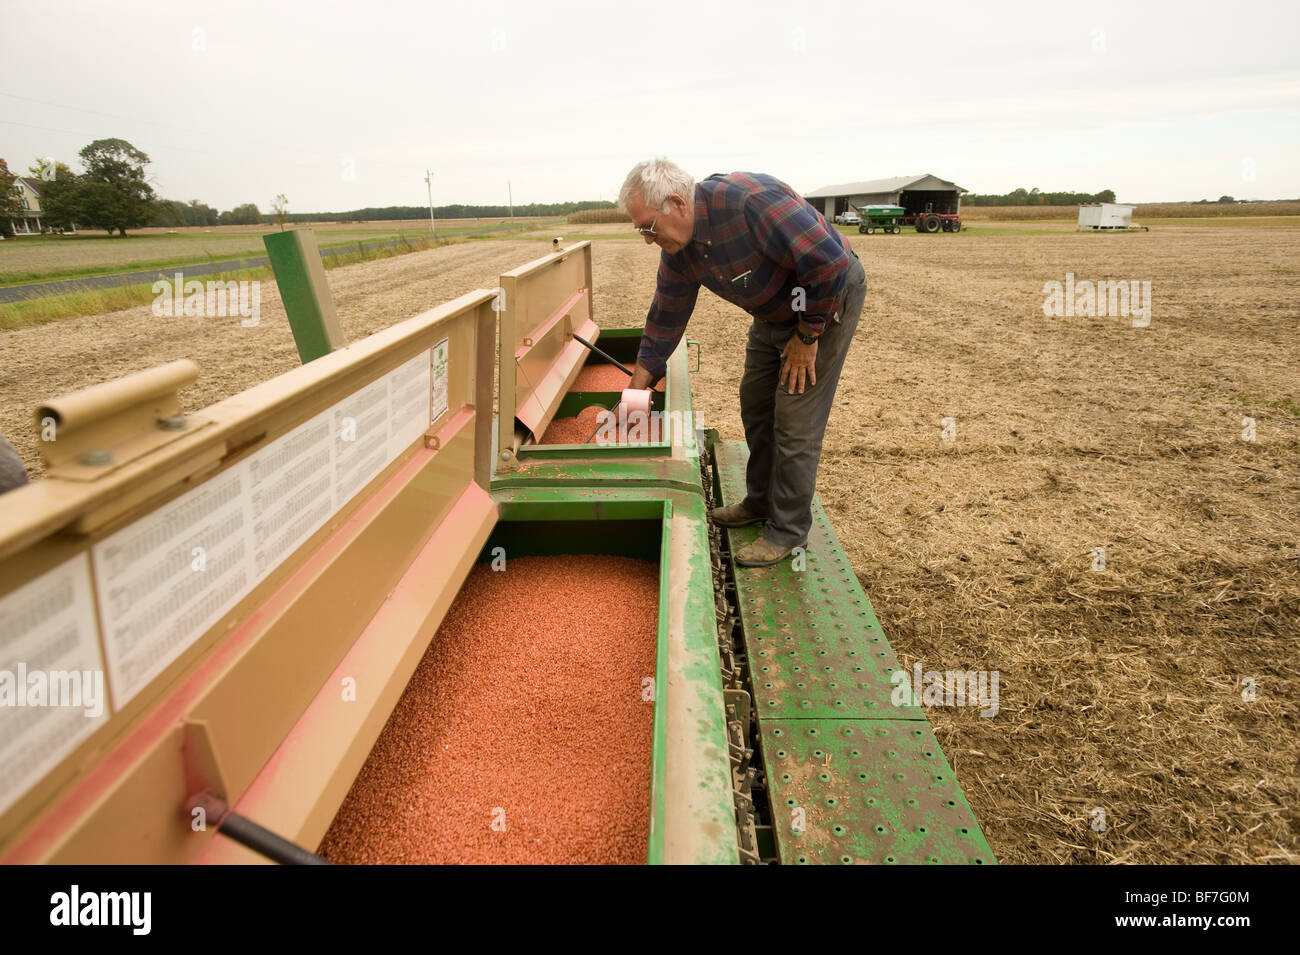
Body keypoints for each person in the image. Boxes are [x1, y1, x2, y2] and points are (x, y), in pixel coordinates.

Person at [618, 157, 867, 567]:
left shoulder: (749, 202)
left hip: (825, 301)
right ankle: (760, 502)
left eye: (648, 227)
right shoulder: (680, 251)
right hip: (774, 312)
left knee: (794, 419)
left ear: (678, 204)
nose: (647, 239)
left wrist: (807, 336)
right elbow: (666, 316)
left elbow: (828, 263)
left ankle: (787, 531)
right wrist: (635, 392)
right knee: (755, 403)